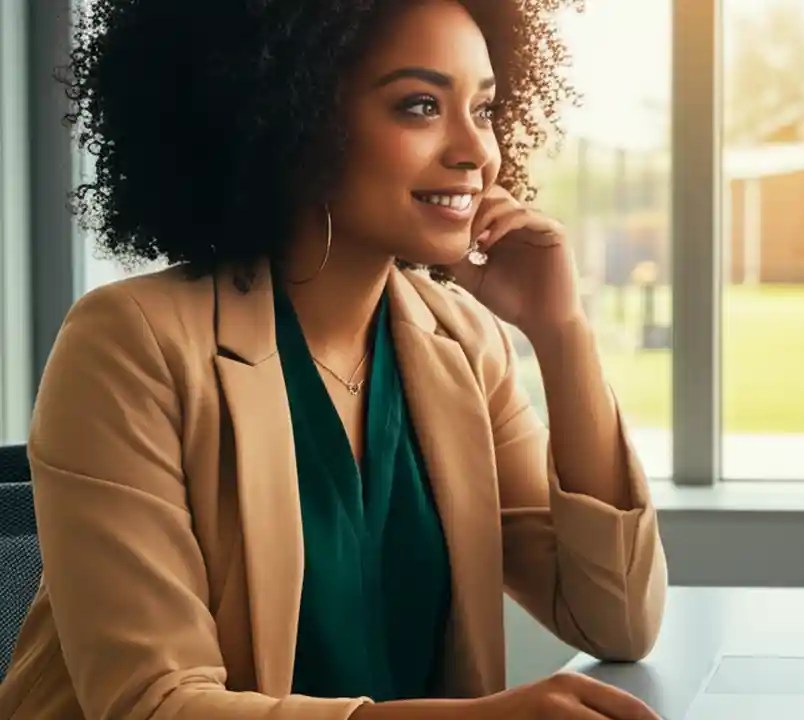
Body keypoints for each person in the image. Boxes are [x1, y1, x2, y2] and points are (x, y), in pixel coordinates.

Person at [0, 3, 667, 720]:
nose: (477, 150)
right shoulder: (129, 344)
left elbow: (617, 620)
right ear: (297, 118)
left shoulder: (464, 344)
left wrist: (561, 333)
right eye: (419, 107)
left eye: (484, 108)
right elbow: (154, 706)